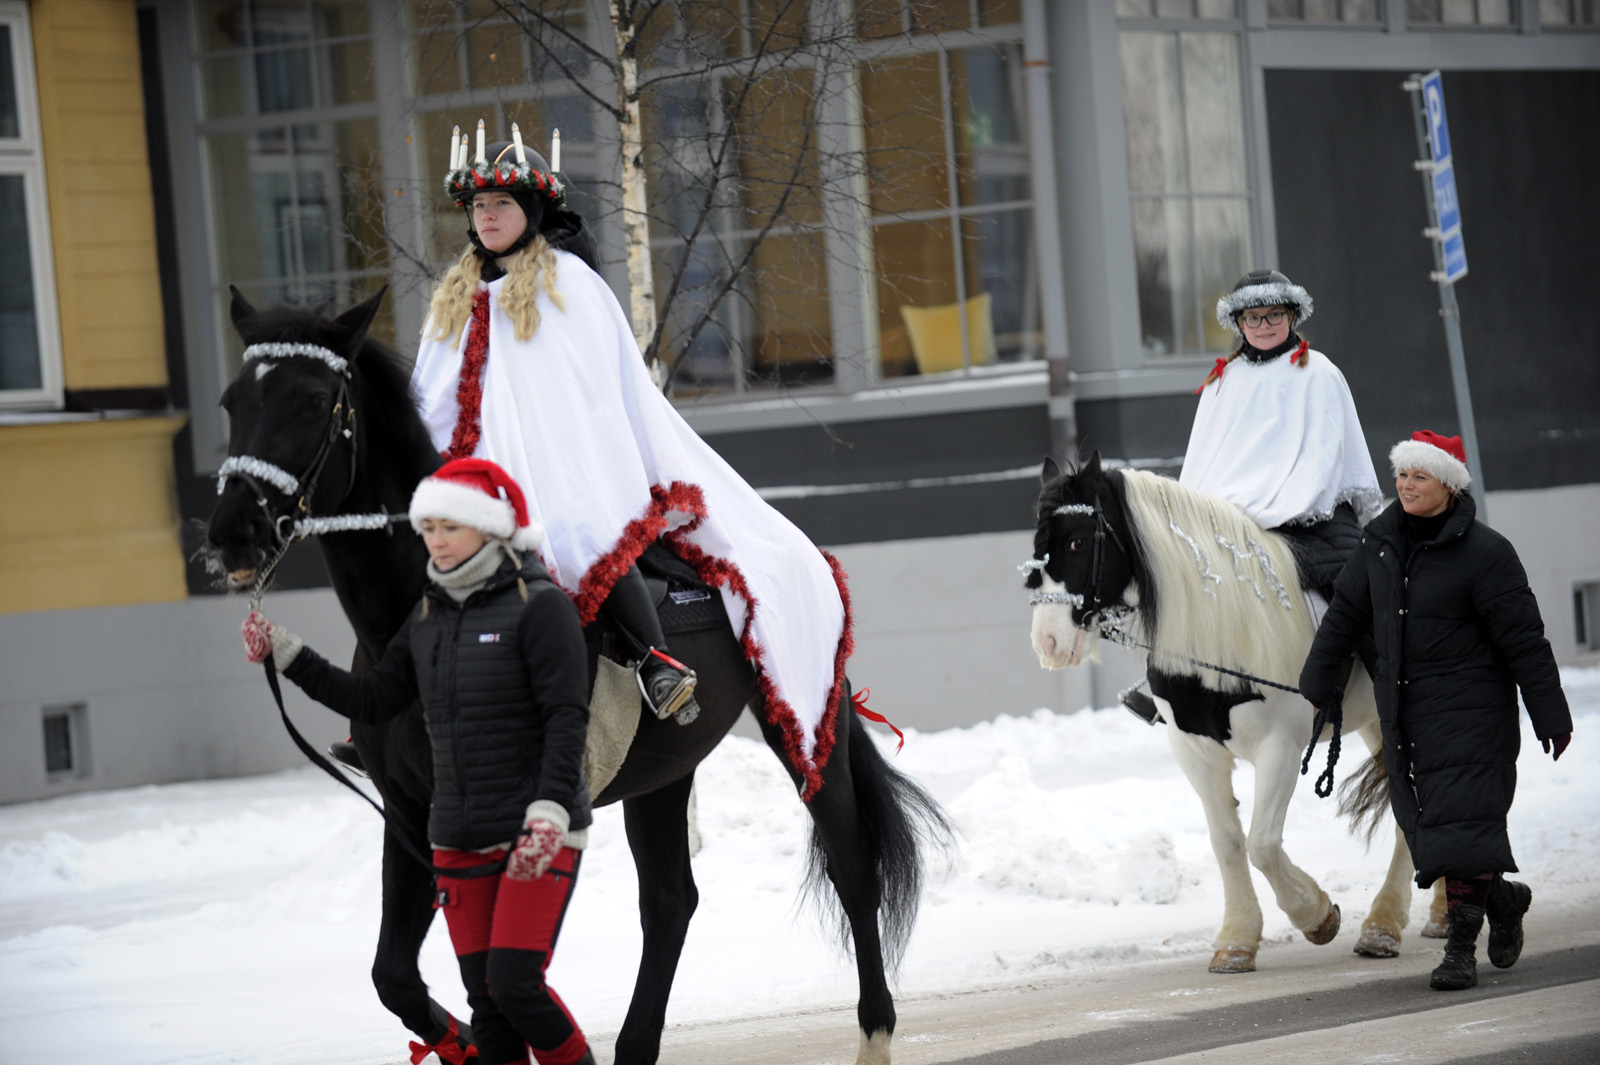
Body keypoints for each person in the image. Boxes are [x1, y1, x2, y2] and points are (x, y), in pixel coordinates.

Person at [408, 125, 849, 796]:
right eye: (477, 206)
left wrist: (537, 462)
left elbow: (586, 399)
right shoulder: (452, 301)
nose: (487, 216)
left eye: (501, 203)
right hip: (472, 475)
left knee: (580, 525)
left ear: (534, 211)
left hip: (565, 464)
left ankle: (653, 660)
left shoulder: (568, 287)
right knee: (417, 560)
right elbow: (430, 399)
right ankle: (387, 708)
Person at [242, 458, 598, 1065]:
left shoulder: (539, 606)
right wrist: (287, 653)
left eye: (450, 526)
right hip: (457, 839)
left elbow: (567, 719)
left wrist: (549, 812)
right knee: (487, 1007)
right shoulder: (429, 615)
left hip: (534, 833)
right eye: (427, 526)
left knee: (516, 986)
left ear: (488, 528)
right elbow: (372, 698)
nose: (435, 539)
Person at [1298, 430, 1574, 991]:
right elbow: (1343, 618)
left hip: (1474, 712)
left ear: (1448, 484)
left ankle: (1458, 950)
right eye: (1401, 475)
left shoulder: (1487, 553)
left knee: (1465, 823)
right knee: (1429, 829)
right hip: (1405, 712)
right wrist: (1317, 684)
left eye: (1419, 476)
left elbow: (1525, 639)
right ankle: (1503, 897)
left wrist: (1550, 712)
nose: (1406, 485)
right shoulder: (1376, 547)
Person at [1122, 268, 1383, 724]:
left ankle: (1389, 678)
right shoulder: (1223, 380)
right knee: (1188, 582)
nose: (1264, 325)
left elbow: (1324, 453)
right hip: (1233, 520)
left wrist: (1282, 502)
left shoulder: (1318, 372)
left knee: (1349, 579)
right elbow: (1205, 461)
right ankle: (1166, 681)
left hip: (1310, 512)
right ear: (1239, 323)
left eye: (1273, 315)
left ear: (1293, 315)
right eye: (1253, 317)